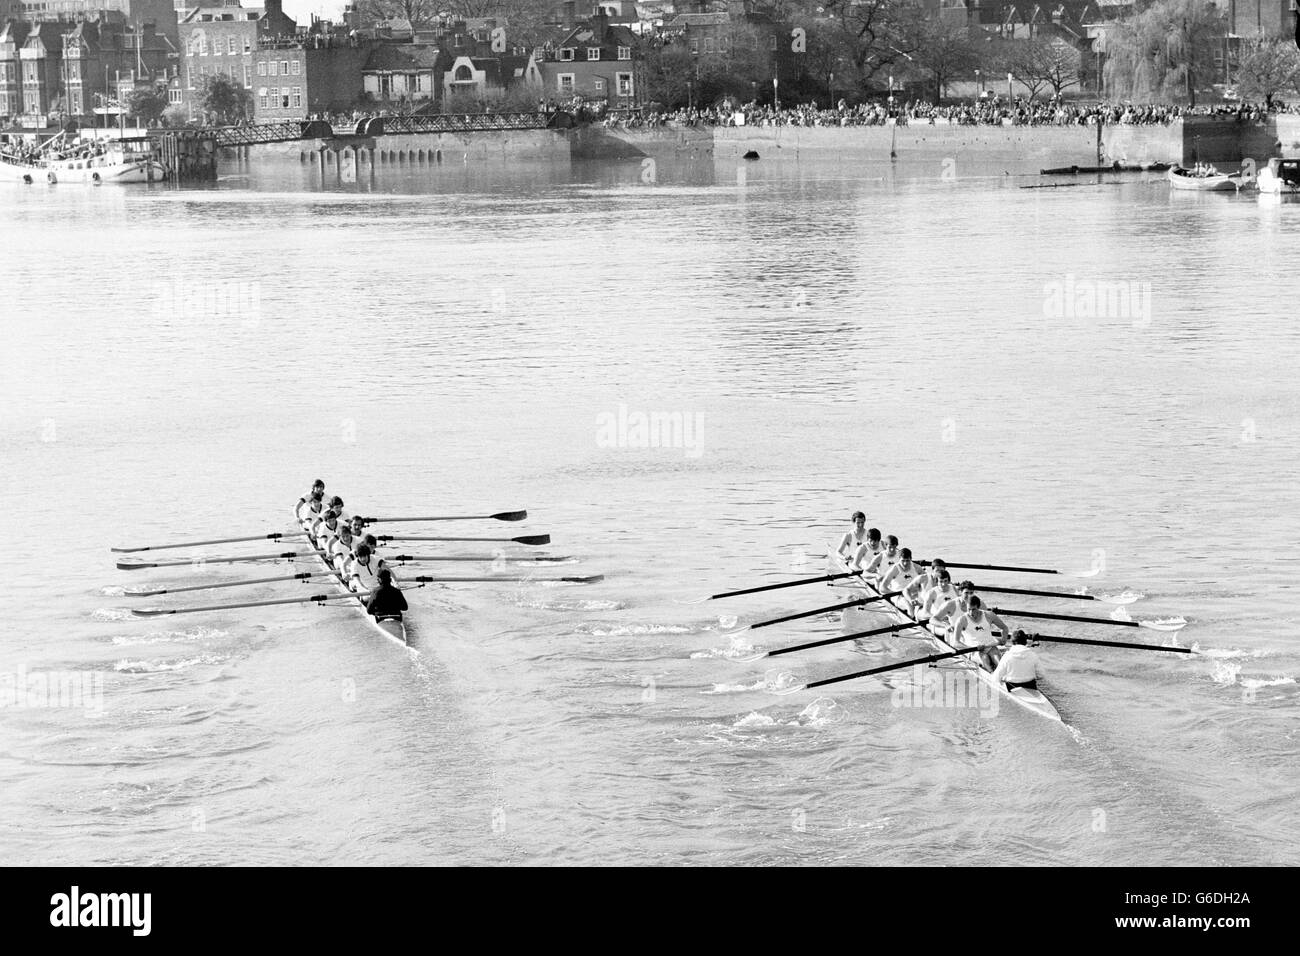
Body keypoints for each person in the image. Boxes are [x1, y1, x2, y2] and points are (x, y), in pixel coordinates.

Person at [949, 595, 1013, 670]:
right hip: (974, 650)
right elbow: (955, 643)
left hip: (990, 645)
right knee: (985, 659)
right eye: (968, 609)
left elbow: (1004, 628)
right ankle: (991, 674)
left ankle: (1002, 676)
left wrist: (1004, 639)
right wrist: (970, 648)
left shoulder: (989, 615)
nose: (971, 612)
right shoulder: (961, 620)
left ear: (978, 607)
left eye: (974, 609)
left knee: (998, 660)